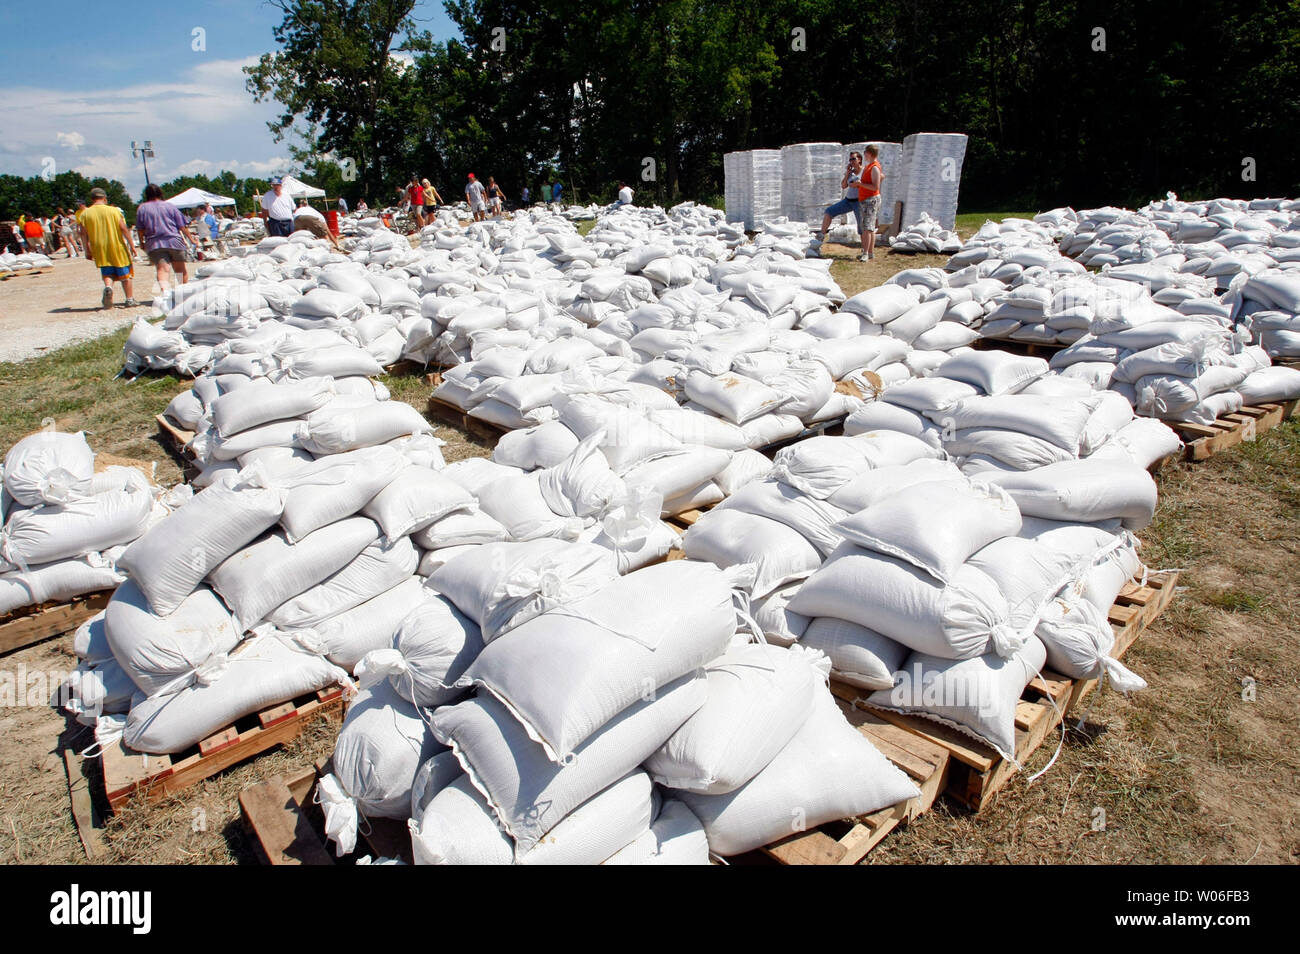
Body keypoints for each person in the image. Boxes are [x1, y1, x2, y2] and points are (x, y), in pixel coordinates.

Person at [78, 187, 139, 309]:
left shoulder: (85, 214)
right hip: (117, 246)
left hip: (99, 248)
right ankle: (129, 299)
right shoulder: (114, 211)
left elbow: (83, 234)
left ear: (92, 199)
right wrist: (132, 245)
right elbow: (123, 228)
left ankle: (108, 287)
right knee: (125, 274)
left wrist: (87, 250)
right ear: (104, 198)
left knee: (107, 272)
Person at [135, 182, 195, 293]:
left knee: (163, 270)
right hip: (174, 241)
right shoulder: (170, 206)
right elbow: (182, 226)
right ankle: (183, 294)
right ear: (160, 193)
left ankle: (165, 294)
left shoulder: (142, 208)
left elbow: (140, 229)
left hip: (154, 243)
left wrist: (141, 242)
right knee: (180, 270)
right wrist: (191, 239)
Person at [814, 151, 864, 257]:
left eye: (853, 159)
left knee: (861, 225)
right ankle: (821, 235)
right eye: (850, 159)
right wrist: (847, 174)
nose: (851, 161)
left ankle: (865, 250)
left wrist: (858, 185)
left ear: (859, 159)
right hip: (848, 200)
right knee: (829, 211)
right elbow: (843, 185)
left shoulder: (864, 172)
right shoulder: (851, 173)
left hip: (859, 201)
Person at [857, 144, 885, 261]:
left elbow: (875, 186)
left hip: (871, 200)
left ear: (870, 153)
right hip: (866, 199)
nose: (864, 155)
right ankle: (870, 252)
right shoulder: (870, 167)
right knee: (869, 227)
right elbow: (882, 176)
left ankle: (865, 253)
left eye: (866, 152)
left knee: (867, 228)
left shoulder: (874, 167)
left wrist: (860, 184)